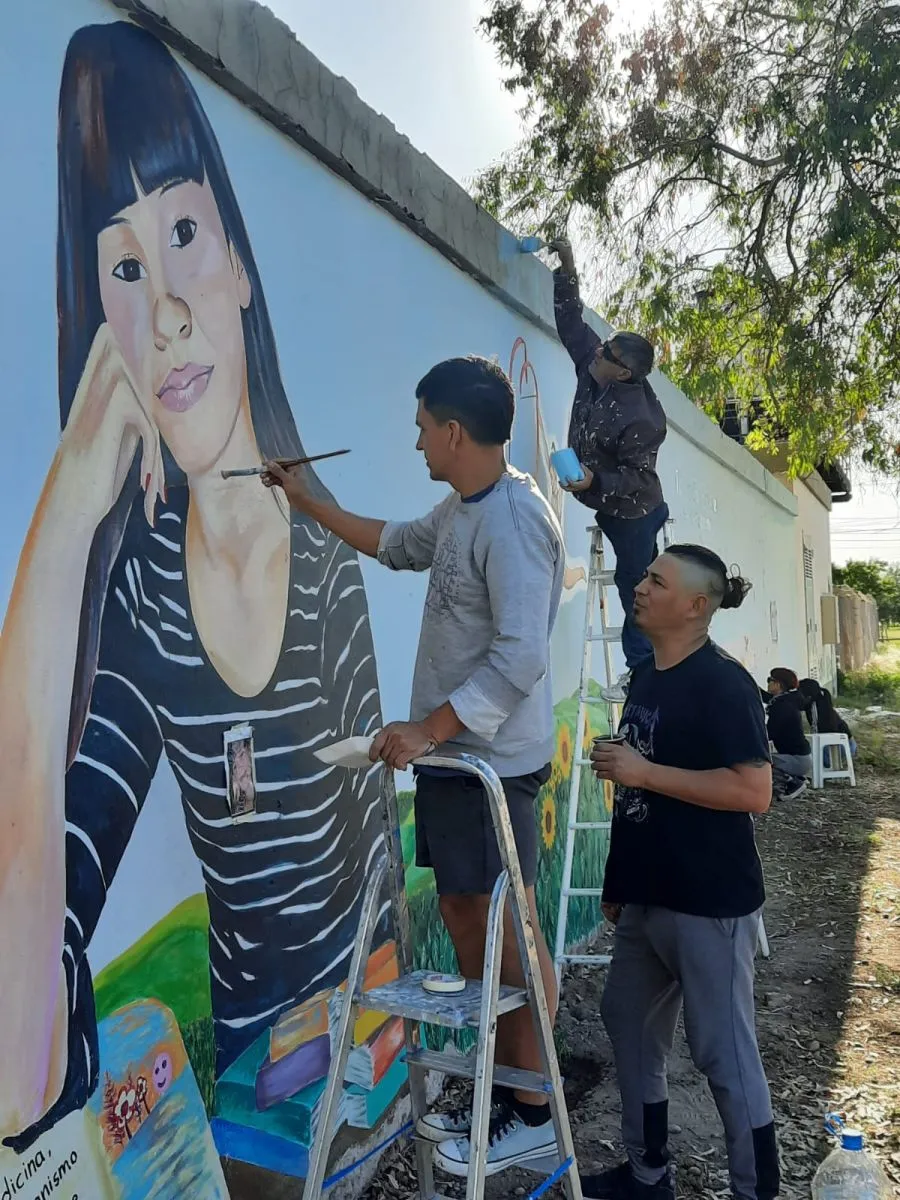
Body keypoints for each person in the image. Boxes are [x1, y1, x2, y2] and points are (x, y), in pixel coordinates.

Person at [0, 22, 384, 1148]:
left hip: (356, 1056)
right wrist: (69, 505)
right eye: (125, 265)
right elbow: (17, 1065)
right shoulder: (144, 606)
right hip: (244, 1109)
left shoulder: (324, 566)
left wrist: (355, 1043)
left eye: (182, 232)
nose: (165, 309)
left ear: (243, 269)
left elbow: (370, 861)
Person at [263, 355, 566, 1177]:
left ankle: (534, 1106)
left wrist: (428, 731)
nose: (418, 441)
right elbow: (394, 546)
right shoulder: (462, 508)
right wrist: (303, 499)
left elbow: (520, 659)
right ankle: (508, 1084)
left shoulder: (513, 522)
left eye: (423, 427)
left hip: (488, 766)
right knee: (472, 918)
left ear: (455, 431)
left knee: (508, 922)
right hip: (455, 759)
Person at [584, 544, 780, 1200]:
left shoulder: (724, 683)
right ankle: (648, 1177)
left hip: (710, 902)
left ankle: (755, 1191)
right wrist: (617, 885)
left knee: (723, 1055)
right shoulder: (647, 678)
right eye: (645, 576)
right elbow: (633, 789)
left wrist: (645, 772)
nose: (640, 586)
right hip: (646, 898)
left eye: (656, 581)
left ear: (695, 606)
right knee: (626, 1022)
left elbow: (754, 791)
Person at [550, 238, 668, 702]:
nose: (599, 352)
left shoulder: (643, 417)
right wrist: (566, 266)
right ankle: (645, 669)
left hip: (635, 510)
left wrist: (594, 480)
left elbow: (638, 479)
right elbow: (570, 323)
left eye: (610, 355)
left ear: (626, 373)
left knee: (634, 586)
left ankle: (643, 676)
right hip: (601, 498)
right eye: (605, 346)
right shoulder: (593, 366)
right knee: (629, 583)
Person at [764, 668, 812, 799]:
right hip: (800, 757)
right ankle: (796, 776)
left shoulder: (782, 707)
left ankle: (793, 782)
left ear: (778, 684)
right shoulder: (787, 700)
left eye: (770, 680)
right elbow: (765, 697)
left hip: (796, 760)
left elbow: (769, 733)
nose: (767, 683)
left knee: (759, 762)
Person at [798, 678, 857, 755]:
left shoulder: (814, 708)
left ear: (808, 695)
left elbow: (815, 732)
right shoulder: (823, 699)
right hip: (848, 742)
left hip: (838, 745)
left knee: (812, 754)